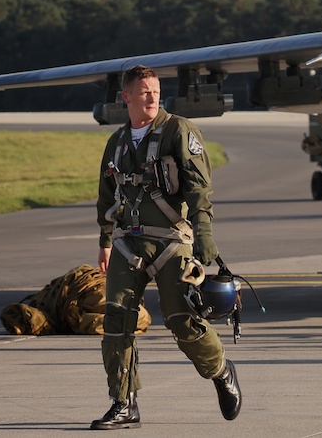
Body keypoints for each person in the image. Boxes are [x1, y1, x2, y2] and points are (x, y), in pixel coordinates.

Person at [91, 65, 240, 429]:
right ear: (126, 97)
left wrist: (204, 238)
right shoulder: (118, 142)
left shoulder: (179, 131)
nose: (152, 96)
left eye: (156, 89)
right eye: (143, 91)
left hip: (173, 242)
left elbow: (199, 191)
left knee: (182, 322)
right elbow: (106, 194)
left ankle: (220, 370)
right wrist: (106, 240)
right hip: (129, 243)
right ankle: (124, 402)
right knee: (116, 321)